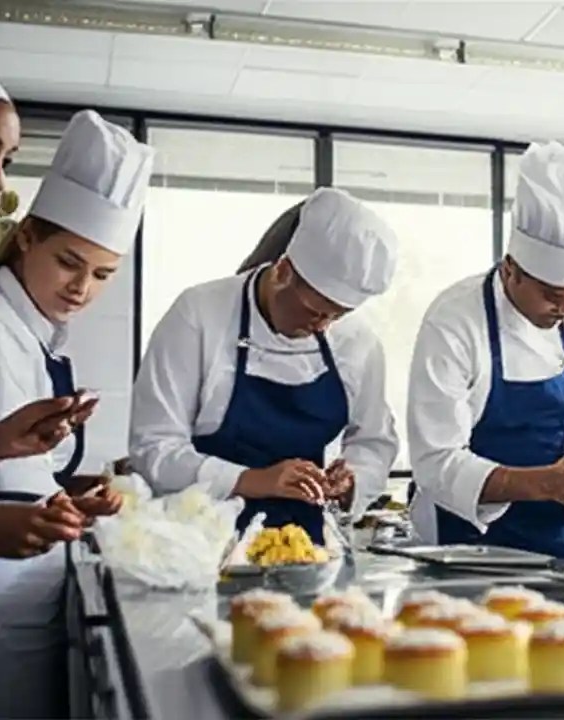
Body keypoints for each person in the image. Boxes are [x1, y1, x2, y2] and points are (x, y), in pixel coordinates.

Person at [129, 188, 399, 544]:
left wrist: (353, 481)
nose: (323, 326)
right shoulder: (200, 313)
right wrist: (256, 479)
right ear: (284, 270)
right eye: (315, 311)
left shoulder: (357, 342)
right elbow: (154, 446)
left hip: (302, 546)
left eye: (338, 315)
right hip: (196, 543)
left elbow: (374, 441)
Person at [0, 108, 150, 718]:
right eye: (69, 263)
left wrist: (66, 497)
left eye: (103, 275)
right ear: (28, 235)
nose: (81, 289)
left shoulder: (36, 334)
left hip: (32, 603)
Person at [407, 140, 564, 560]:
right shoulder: (455, 321)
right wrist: (547, 482)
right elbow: (436, 462)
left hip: (551, 538)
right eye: (551, 294)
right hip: (459, 541)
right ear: (511, 270)